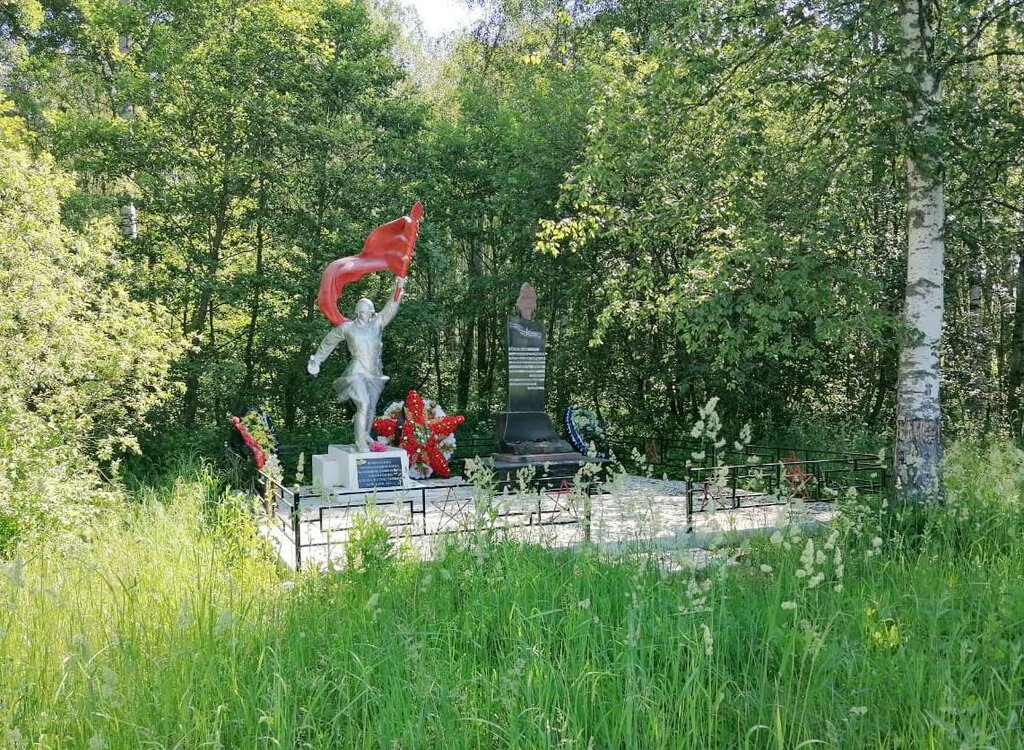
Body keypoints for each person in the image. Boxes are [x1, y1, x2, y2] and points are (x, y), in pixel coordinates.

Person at [308, 276, 407, 451]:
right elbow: (329, 341)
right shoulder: (348, 328)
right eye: (360, 312)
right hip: (356, 371)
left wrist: (398, 287)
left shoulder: (378, 323)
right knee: (363, 403)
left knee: (371, 407)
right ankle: (359, 441)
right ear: (357, 312)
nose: (363, 315)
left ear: (371, 312)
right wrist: (317, 359)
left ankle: (366, 434)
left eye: (366, 311)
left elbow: (391, 307)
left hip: (374, 372)